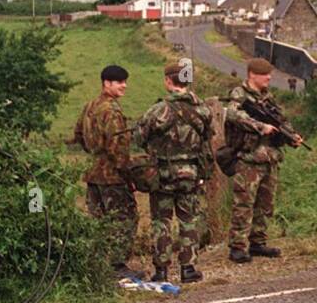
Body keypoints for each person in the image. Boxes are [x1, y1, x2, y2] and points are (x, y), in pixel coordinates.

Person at [133, 61, 214, 284]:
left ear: (168, 81)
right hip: (191, 173)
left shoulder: (158, 110)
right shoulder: (203, 109)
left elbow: (139, 138)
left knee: (162, 221)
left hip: (163, 175)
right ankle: (188, 269)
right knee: (189, 219)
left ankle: (161, 271)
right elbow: (208, 137)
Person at [224, 58, 301, 263]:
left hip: (269, 158)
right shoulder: (239, 94)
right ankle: (238, 246)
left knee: (265, 204)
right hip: (249, 158)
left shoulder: (268, 97)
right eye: (264, 74)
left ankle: (258, 242)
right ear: (252, 75)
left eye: (269, 74)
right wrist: (259, 126)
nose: (269, 77)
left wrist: (292, 136)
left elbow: (281, 120)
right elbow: (233, 115)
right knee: (244, 204)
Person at [73, 64, 140, 280]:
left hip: (93, 175)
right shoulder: (111, 110)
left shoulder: (90, 106)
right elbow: (117, 147)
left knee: (98, 220)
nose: (124, 86)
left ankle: (98, 266)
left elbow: (78, 134)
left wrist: (94, 154)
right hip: (112, 177)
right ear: (106, 83)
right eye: (119, 82)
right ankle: (118, 266)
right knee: (124, 219)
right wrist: (129, 175)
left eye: (124, 81)